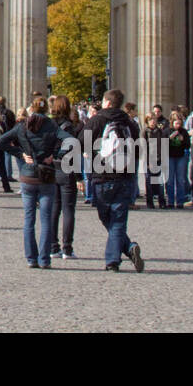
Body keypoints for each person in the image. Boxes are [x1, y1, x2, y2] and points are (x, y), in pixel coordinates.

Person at [0, 105, 69, 268]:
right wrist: (55, 155)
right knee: (46, 219)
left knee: (29, 219)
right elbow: (71, 141)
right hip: (46, 176)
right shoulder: (52, 126)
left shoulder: (22, 127)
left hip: (28, 176)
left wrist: (20, 154)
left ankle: (31, 258)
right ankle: (44, 259)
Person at [80, 89, 144, 272]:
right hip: (124, 176)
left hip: (102, 176)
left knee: (107, 217)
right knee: (118, 218)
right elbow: (138, 151)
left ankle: (114, 259)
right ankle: (126, 249)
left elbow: (80, 141)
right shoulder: (130, 123)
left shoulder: (98, 120)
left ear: (107, 102)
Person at [47, 95, 80, 257]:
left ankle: (53, 247)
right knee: (68, 210)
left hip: (51, 168)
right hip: (66, 168)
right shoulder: (69, 127)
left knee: (54, 208)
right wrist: (80, 177)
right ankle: (67, 248)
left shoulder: (48, 125)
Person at [166, 114, 189, 208]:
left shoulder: (183, 132)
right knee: (170, 180)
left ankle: (180, 201)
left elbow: (188, 145)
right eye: (176, 123)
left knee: (180, 180)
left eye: (179, 123)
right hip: (170, 156)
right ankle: (170, 201)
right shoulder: (167, 131)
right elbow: (162, 144)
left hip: (180, 156)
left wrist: (183, 140)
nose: (178, 125)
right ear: (172, 123)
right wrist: (169, 138)